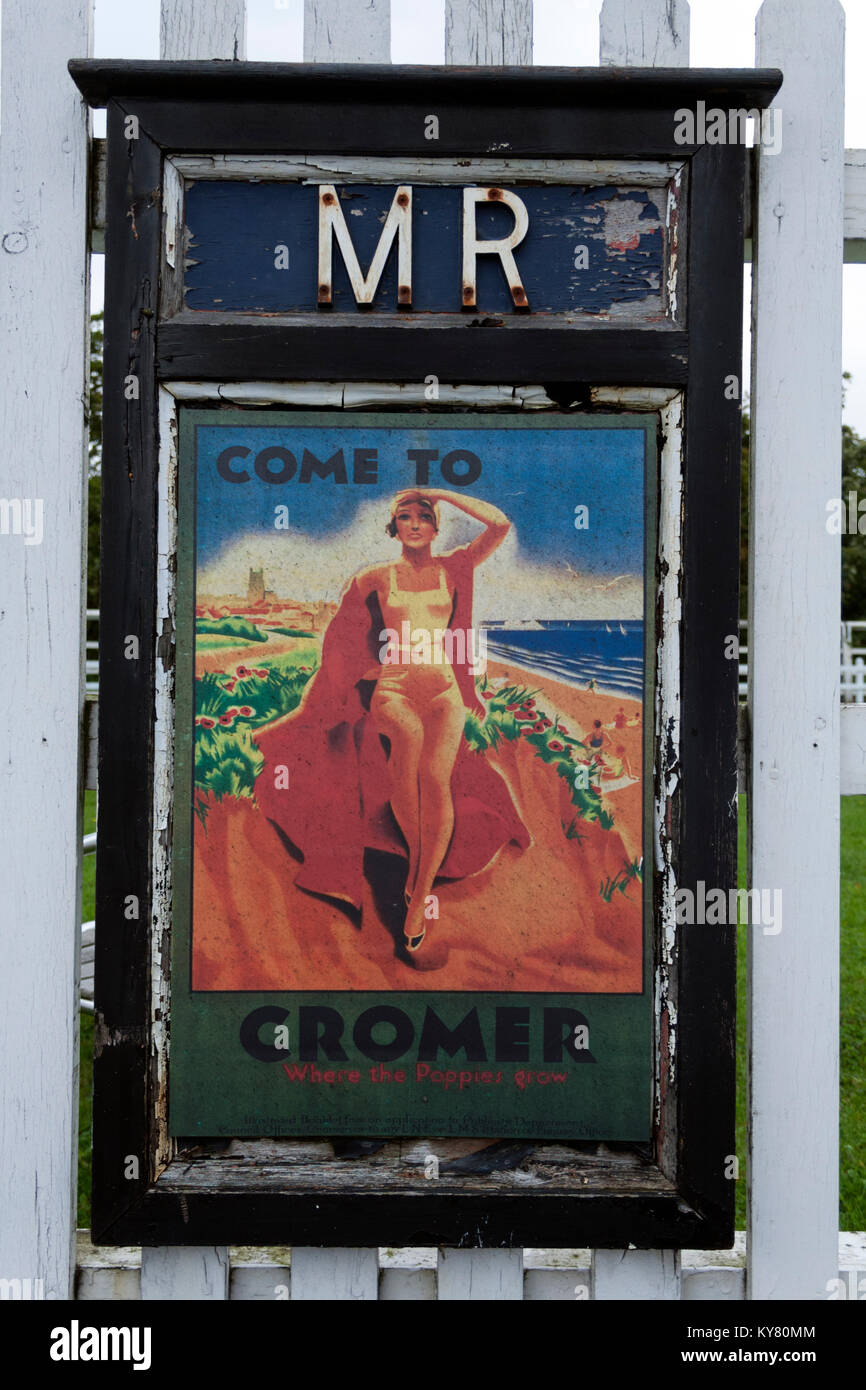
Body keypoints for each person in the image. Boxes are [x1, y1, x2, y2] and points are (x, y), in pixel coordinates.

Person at [253, 488, 529, 960]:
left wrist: (438, 493)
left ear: (436, 526)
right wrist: (355, 672)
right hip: (395, 691)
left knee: (435, 781)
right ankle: (419, 872)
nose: (416, 523)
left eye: (425, 516)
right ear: (394, 526)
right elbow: (342, 636)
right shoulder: (375, 577)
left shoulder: (454, 568)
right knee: (408, 761)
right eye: (406, 516)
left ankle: (418, 895)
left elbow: (500, 523)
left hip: (443, 692)